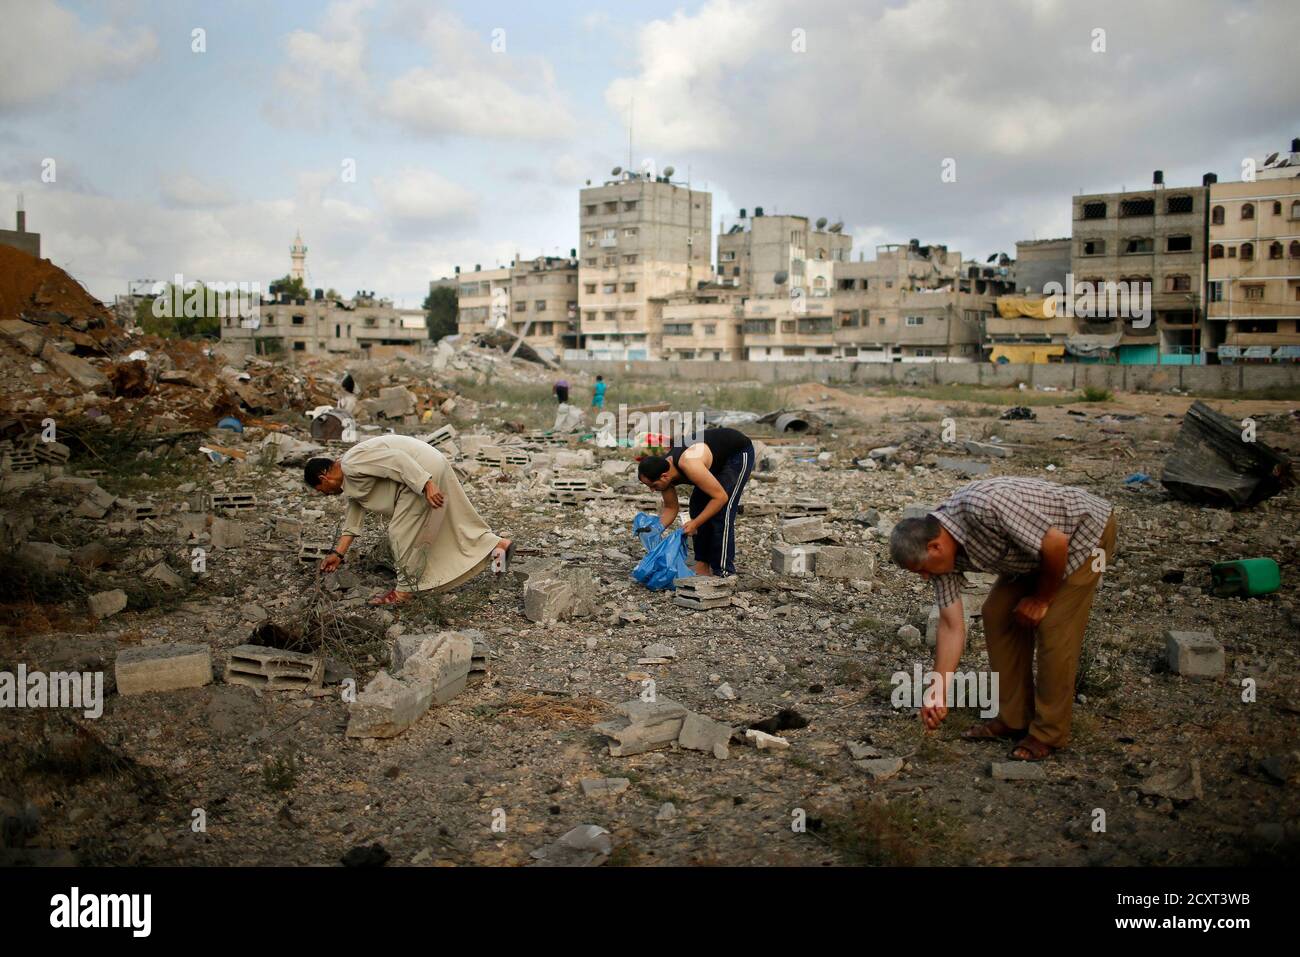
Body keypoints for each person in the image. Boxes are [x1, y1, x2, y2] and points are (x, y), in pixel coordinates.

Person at [888, 477, 1117, 762]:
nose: (924, 577)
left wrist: (1040, 600)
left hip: (1085, 536)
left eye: (921, 569)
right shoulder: (941, 559)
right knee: (997, 613)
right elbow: (951, 624)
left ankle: (1048, 732)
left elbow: (1056, 543)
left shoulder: (984, 506)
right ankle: (1014, 717)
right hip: (1033, 556)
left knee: (1054, 626)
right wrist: (938, 689)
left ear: (935, 547)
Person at [304, 434, 513, 606]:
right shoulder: (349, 477)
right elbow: (355, 512)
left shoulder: (351, 463)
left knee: (399, 533)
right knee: (449, 522)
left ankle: (403, 593)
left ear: (324, 479)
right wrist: (338, 554)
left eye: (321, 490)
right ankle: (498, 545)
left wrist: (426, 483)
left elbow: (396, 460)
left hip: (421, 471)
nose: (325, 494)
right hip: (427, 466)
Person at [637, 427, 754, 577]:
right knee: (697, 507)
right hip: (711, 461)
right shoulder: (662, 471)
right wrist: (656, 529)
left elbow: (720, 498)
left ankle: (724, 572)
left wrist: (695, 523)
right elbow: (671, 508)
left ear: (664, 477)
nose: (652, 490)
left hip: (736, 453)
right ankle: (702, 567)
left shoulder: (689, 464)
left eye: (653, 486)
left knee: (723, 511)